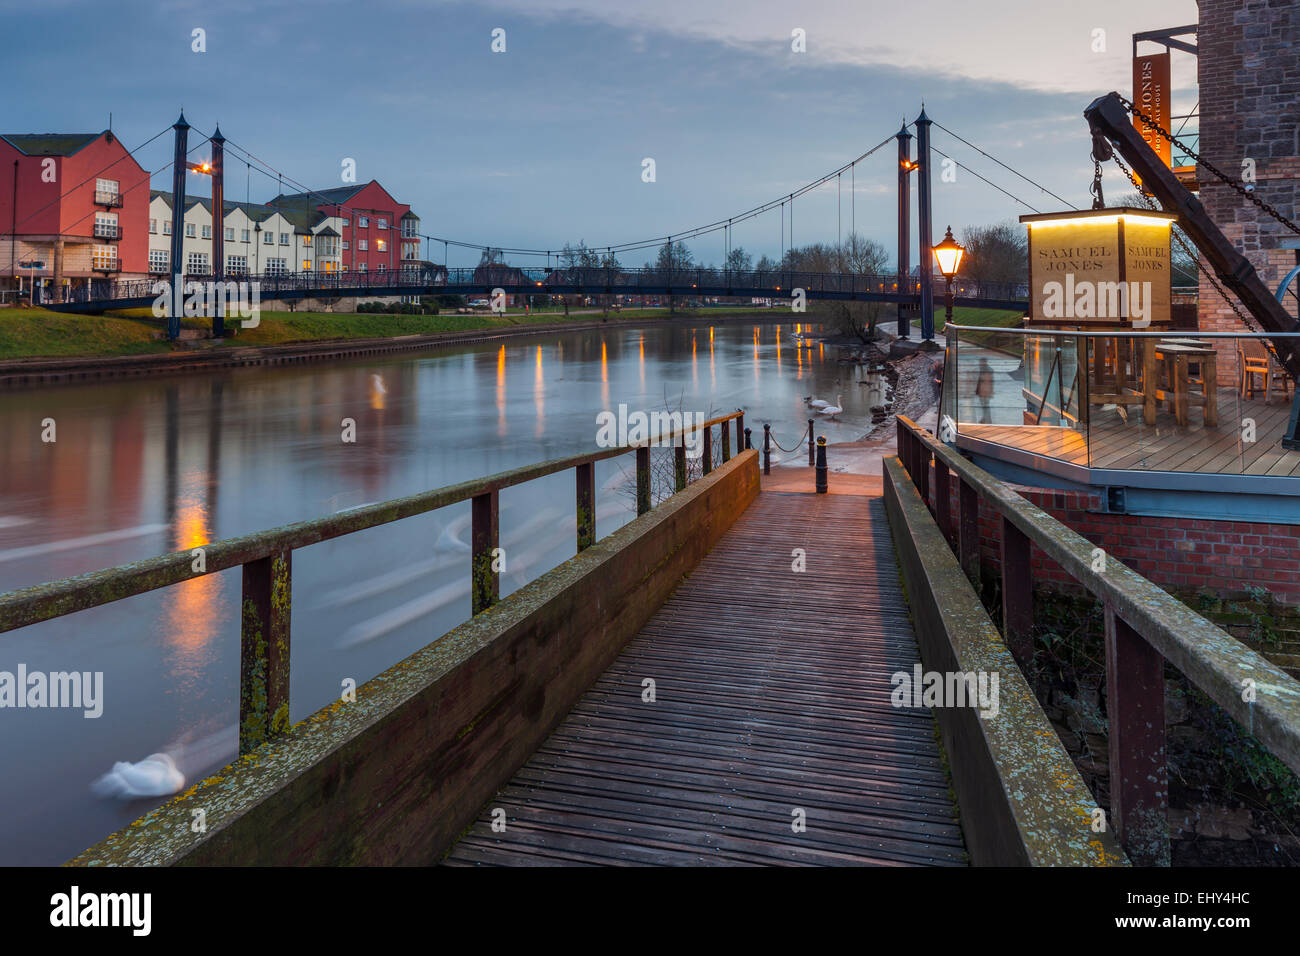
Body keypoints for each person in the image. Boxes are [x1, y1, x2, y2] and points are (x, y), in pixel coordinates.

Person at [975, 358, 994, 424]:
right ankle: (984, 419)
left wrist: (988, 391)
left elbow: (987, 382)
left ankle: (988, 420)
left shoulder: (986, 370)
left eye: (981, 362)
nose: (980, 363)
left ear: (985, 362)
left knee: (985, 406)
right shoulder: (983, 369)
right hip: (982, 391)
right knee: (984, 406)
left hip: (984, 392)